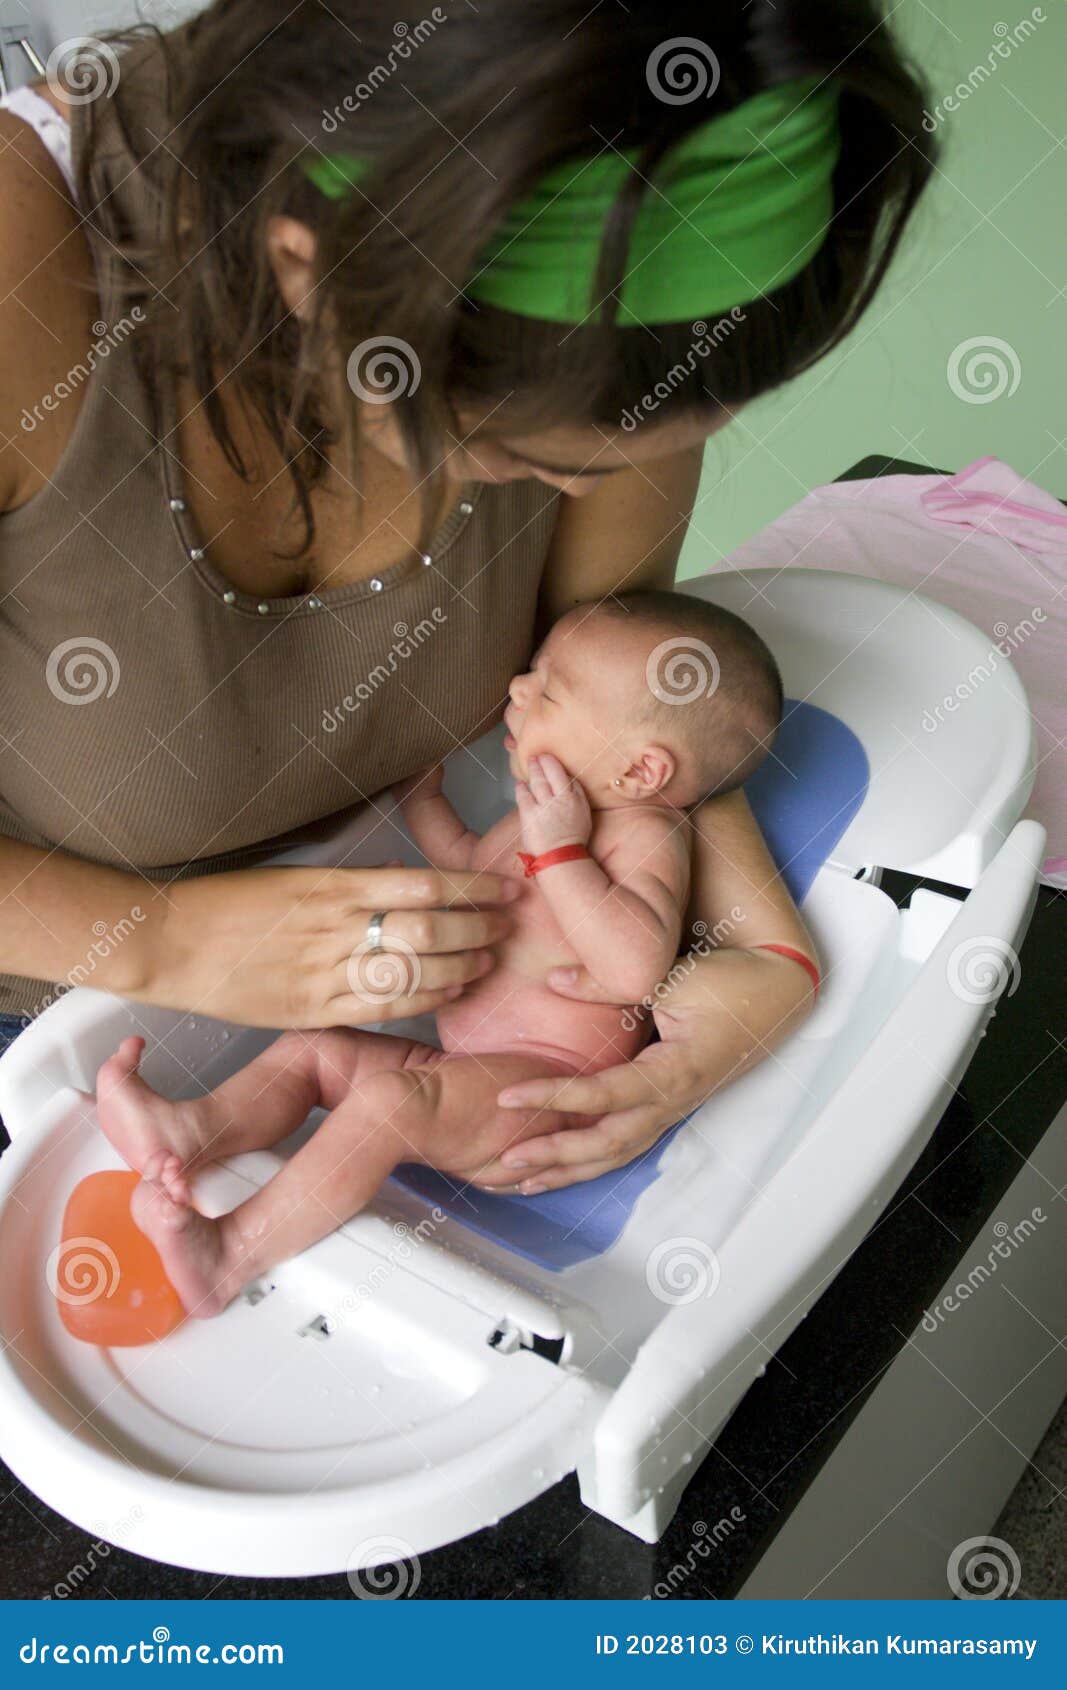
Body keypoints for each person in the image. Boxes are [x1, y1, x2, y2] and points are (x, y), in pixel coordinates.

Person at [0, 2, 935, 1185]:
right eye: (524, 457)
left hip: (361, 1014)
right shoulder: (22, 283)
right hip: (50, 1039)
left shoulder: (635, 284)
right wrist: (165, 942)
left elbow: (626, 711)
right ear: (311, 274)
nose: (585, 485)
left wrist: (764, 966)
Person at [95, 591, 807, 1314]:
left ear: (640, 772)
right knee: (313, 1047)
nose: (517, 689)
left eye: (548, 692)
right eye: (532, 672)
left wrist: (560, 851)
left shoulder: (642, 835)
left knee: (388, 1103)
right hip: (464, 1068)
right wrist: (423, 801)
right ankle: (192, 1131)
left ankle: (229, 1255)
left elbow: (634, 970)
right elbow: (471, 868)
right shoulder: (549, 813)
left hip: (544, 1097)